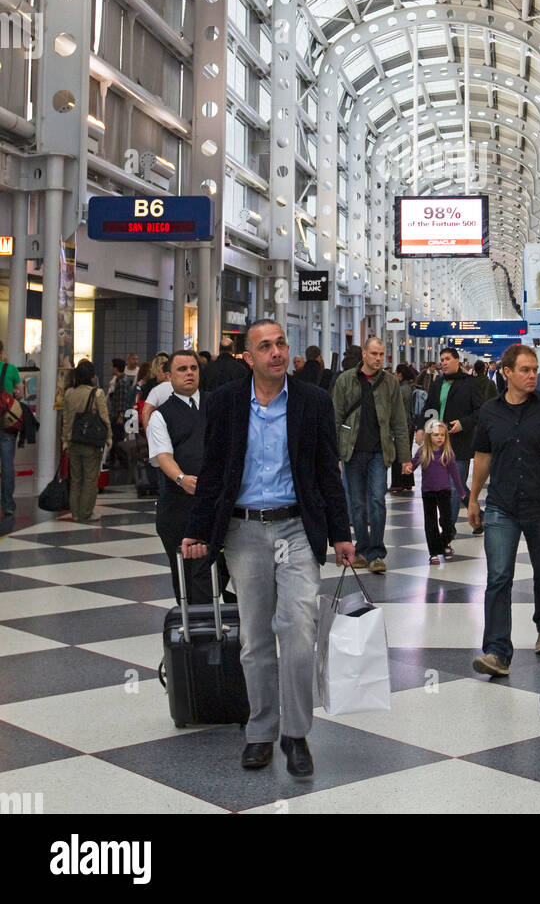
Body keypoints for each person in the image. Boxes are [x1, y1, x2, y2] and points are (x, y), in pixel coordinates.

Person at [181, 319, 354, 778]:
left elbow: (326, 473)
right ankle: (260, 731)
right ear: (249, 357)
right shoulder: (225, 404)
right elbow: (213, 470)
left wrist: (341, 533)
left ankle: (295, 734)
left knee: (298, 631)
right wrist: (199, 530)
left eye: (280, 344)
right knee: (256, 638)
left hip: (296, 528)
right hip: (243, 531)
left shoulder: (312, 402)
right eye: (265, 346)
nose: (276, 352)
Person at [468, 344, 540, 674]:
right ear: (507, 373)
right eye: (525, 370)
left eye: (534, 370)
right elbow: (483, 456)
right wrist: (473, 498)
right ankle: (497, 652)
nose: (532, 376)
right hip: (501, 504)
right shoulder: (490, 411)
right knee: (499, 578)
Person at [147, 351, 232, 603]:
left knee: (220, 566)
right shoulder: (161, 416)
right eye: (182, 369)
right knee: (187, 573)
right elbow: (163, 456)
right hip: (178, 507)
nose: (189, 373)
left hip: (217, 503)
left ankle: (216, 621)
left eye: (193, 368)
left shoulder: (216, 403)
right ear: (168, 376)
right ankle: (195, 627)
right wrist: (182, 479)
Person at [332, 336, 412, 573]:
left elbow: (399, 420)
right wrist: (334, 455)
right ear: (364, 354)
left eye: (381, 354)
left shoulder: (389, 383)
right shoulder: (346, 380)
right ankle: (362, 548)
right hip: (352, 451)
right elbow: (335, 418)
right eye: (374, 354)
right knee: (357, 504)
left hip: (379, 451)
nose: (378, 359)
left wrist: (405, 458)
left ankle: (376, 552)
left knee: (377, 501)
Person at [422, 347, 482, 536]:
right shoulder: (438, 384)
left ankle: (448, 529)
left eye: (448, 358)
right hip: (439, 442)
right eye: (442, 359)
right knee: (456, 485)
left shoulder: (471, 384)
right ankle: (480, 517)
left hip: (460, 442)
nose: (444, 362)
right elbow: (429, 407)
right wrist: (421, 427)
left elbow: (480, 411)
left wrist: (463, 423)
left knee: (454, 486)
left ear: (458, 361)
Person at [411, 419, 468, 564]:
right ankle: (434, 552)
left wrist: (461, 492)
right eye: (436, 435)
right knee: (430, 523)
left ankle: (445, 543)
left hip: (444, 492)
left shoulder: (447, 453)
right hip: (428, 492)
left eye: (442, 435)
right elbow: (413, 465)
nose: (439, 438)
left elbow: (455, 474)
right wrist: (406, 468)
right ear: (429, 436)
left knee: (447, 521)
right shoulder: (423, 451)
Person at [61, 359, 111, 522]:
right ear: (91, 376)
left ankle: (75, 512)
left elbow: (67, 420)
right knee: (90, 478)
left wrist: (65, 440)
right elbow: (104, 418)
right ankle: (86, 512)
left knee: (76, 478)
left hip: (74, 441)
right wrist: (109, 436)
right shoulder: (97, 393)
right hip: (91, 442)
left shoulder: (69, 393)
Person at [0, 342, 23, 518]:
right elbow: (20, 394)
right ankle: (7, 504)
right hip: (6, 423)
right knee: (7, 465)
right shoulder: (11, 369)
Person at [390, 363, 418, 494]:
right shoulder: (408, 387)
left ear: (400, 374)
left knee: (399, 454)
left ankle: (398, 482)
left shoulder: (401, 389)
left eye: (396, 373)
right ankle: (407, 481)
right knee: (406, 453)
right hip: (410, 424)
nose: (395, 375)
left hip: (403, 425)